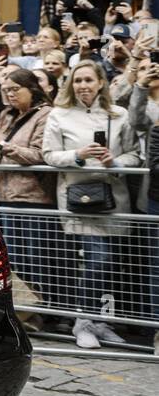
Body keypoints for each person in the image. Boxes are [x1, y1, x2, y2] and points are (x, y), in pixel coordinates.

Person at [42, 60, 140, 349]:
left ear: (100, 82)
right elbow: (49, 155)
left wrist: (116, 161)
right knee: (97, 262)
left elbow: (136, 154)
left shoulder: (119, 114)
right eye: (77, 80)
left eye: (88, 80)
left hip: (114, 198)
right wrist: (78, 154)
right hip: (79, 199)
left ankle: (102, 321)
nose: (83, 85)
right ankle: (82, 322)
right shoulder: (59, 114)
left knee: (111, 265)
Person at [0, 69, 57, 313]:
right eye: (6, 90)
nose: (10, 95)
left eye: (15, 89)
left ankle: (45, 312)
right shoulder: (5, 115)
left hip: (34, 197)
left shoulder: (45, 115)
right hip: (5, 195)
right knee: (14, 259)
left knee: (36, 260)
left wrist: (2, 144)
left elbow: (39, 154)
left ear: (31, 89)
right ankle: (25, 312)